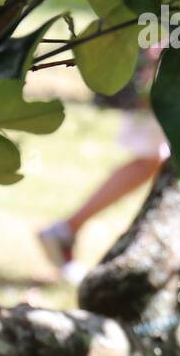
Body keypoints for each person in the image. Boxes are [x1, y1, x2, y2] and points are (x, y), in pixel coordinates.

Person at [37, 57, 167, 284]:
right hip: (166, 67)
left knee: (156, 161)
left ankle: (65, 230)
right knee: (157, 160)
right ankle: (65, 230)